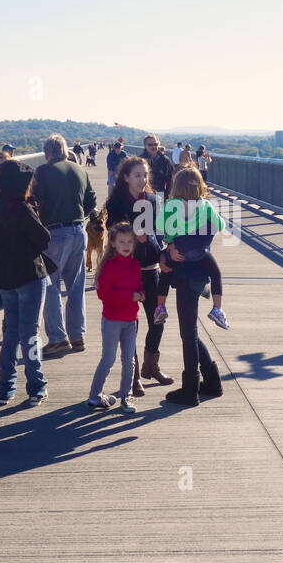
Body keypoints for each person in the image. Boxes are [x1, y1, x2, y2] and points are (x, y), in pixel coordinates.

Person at [105, 155, 174, 390]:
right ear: (125, 177)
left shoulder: (154, 200)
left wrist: (157, 248)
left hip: (150, 269)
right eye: (137, 175)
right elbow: (113, 235)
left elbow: (160, 235)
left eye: (145, 175)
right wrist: (135, 237)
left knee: (158, 319)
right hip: (127, 273)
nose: (142, 179)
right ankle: (132, 374)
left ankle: (150, 366)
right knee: (129, 323)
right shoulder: (116, 204)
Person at [0, 160, 50, 405]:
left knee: (11, 333)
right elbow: (43, 239)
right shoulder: (23, 208)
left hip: (5, 278)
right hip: (30, 276)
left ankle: (5, 387)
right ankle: (36, 386)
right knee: (31, 333)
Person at [33, 133, 98, 356]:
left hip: (54, 233)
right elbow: (92, 202)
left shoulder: (42, 172)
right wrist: (78, 218)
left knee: (50, 286)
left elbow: (34, 201)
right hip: (79, 231)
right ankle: (77, 336)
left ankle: (58, 338)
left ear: (47, 153)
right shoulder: (80, 169)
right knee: (76, 286)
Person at [86, 223, 152, 413]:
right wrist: (130, 296)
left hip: (131, 320)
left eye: (130, 241)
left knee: (129, 359)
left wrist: (141, 293)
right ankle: (95, 395)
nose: (126, 245)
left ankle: (126, 396)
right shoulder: (109, 266)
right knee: (108, 358)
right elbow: (104, 295)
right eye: (122, 241)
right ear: (113, 243)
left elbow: (139, 286)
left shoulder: (135, 265)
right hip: (112, 320)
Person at [154, 167, 229, 330]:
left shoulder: (171, 204)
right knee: (216, 273)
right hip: (199, 254)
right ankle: (217, 309)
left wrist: (171, 234)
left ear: (176, 186)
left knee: (165, 274)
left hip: (175, 252)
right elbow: (221, 225)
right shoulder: (205, 205)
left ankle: (160, 307)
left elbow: (159, 225)